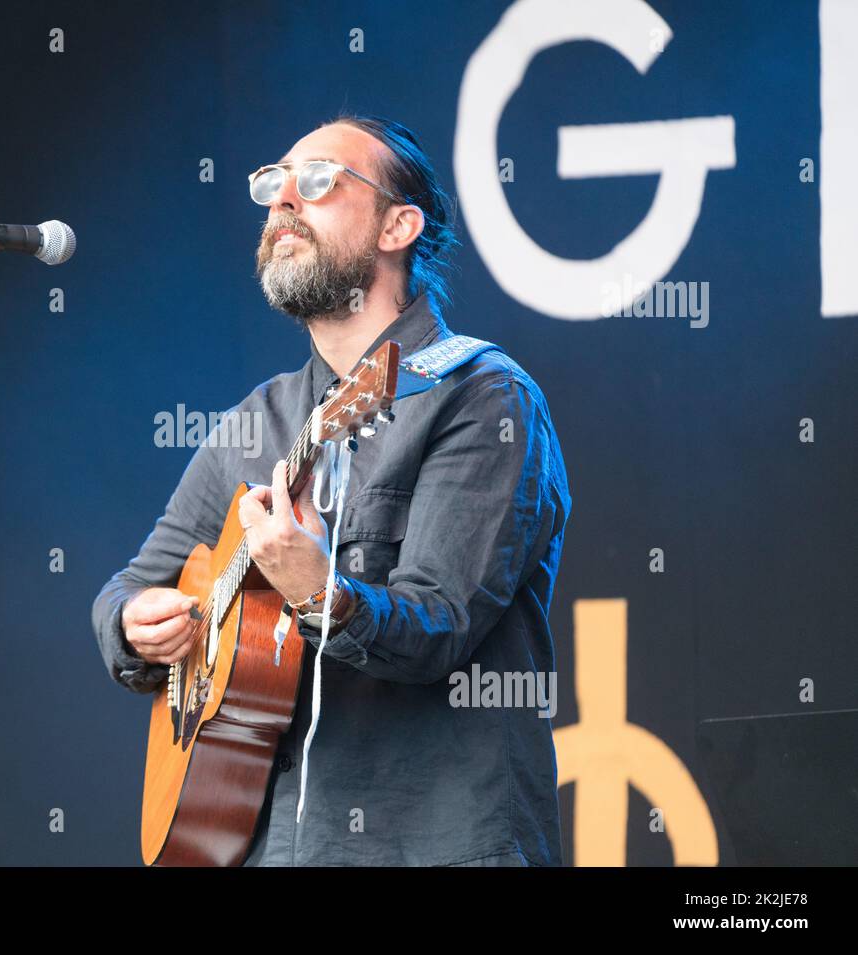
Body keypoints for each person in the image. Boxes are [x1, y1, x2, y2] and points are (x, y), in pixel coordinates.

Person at [91, 113, 571, 866]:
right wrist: (132, 625)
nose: (283, 199)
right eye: (272, 184)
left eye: (316, 181)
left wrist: (321, 593)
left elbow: (440, 625)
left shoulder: (481, 395)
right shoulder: (258, 422)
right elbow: (128, 588)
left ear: (398, 225)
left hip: (431, 844)